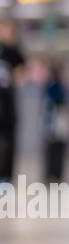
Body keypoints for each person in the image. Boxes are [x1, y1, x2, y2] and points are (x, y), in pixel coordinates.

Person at [0, 19, 27, 186]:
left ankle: (6, 176)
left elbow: (21, 75)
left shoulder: (14, 51)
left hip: (8, 103)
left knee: (8, 140)